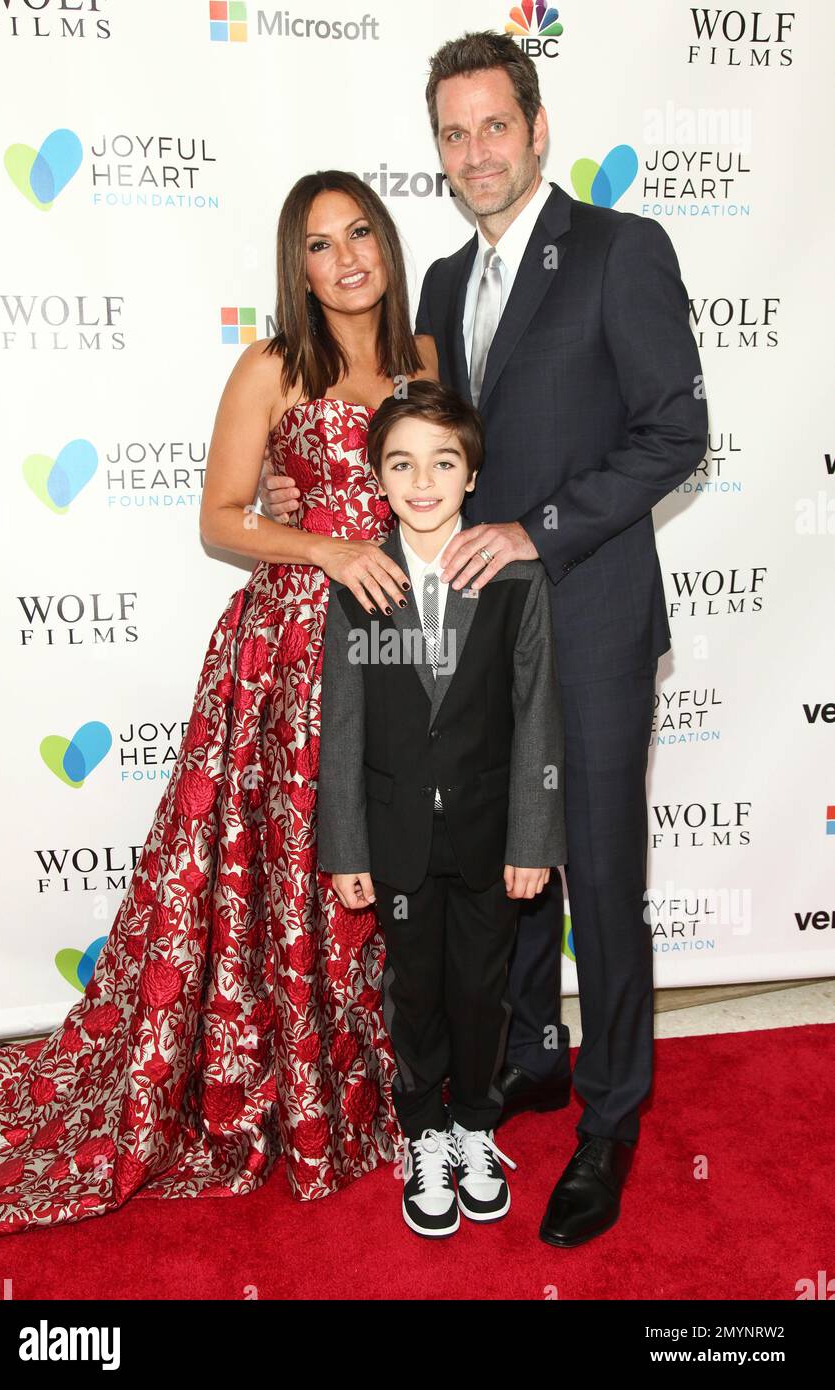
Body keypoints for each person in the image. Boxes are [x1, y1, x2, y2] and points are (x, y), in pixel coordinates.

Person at [263, 32, 709, 1247]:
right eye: (452, 134)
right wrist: (312, 504)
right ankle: (532, 1059)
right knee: (502, 873)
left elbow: (675, 433)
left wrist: (537, 529)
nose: (475, 152)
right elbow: (419, 443)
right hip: (470, 640)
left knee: (600, 880)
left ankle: (610, 1119)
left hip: (597, 620)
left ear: (536, 125)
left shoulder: (622, 251)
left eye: (492, 126)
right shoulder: (445, 287)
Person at [0, 170, 439, 1241]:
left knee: (385, 868)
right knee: (297, 864)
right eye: (319, 245)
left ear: (386, 241)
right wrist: (322, 538)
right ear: (298, 267)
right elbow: (223, 517)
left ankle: (383, 1087)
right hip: (295, 659)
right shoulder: (274, 365)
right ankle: (283, 1087)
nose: (346, 257)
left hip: (404, 652)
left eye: (360, 232)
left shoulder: (424, 361)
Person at [316, 379, 566, 1237]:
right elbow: (341, 730)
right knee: (414, 991)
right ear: (378, 478)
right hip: (395, 841)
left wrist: (534, 835)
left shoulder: (513, 576)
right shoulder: (359, 583)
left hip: (492, 832)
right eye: (401, 463)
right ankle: (423, 1134)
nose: (422, 481)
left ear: (470, 474)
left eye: (443, 462)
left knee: (483, 993)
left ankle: (472, 1128)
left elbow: (536, 714)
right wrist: (346, 846)